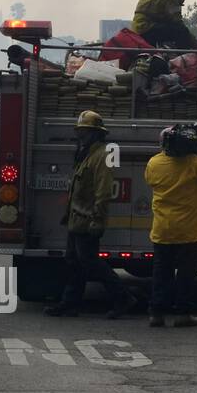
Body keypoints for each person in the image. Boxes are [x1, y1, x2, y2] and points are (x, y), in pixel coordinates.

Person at [45, 111, 138, 318]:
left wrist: (97, 219)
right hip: (76, 218)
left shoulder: (103, 155)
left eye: (86, 132)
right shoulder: (85, 154)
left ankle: (123, 298)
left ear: (96, 134)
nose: (81, 136)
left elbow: (103, 191)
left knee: (90, 261)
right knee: (73, 261)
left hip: (88, 220)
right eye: (80, 132)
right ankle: (70, 303)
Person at [144, 125, 197, 327]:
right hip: (189, 231)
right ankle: (183, 313)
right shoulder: (194, 163)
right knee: (186, 274)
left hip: (162, 229)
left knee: (161, 272)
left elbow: (149, 180)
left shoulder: (154, 163)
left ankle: (156, 313)